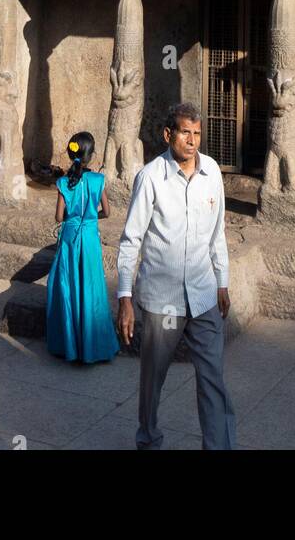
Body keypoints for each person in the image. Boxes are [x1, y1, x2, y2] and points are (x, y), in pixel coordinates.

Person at [116, 102, 236, 450]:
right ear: (169, 134)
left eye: (197, 133)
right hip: (163, 302)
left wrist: (223, 281)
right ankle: (149, 439)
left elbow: (218, 234)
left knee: (213, 379)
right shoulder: (151, 177)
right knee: (154, 379)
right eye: (185, 132)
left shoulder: (212, 173)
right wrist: (125, 299)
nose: (192, 140)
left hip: (204, 296)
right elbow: (131, 240)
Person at [45, 131, 119, 364]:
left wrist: (73, 217)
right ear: (92, 155)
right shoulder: (98, 180)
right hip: (89, 236)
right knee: (91, 286)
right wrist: (90, 217)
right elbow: (107, 212)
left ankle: (67, 345)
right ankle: (93, 346)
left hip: (69, 236)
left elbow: (59, 217)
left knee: (67, 286)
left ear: (70, 153)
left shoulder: (63, 183)